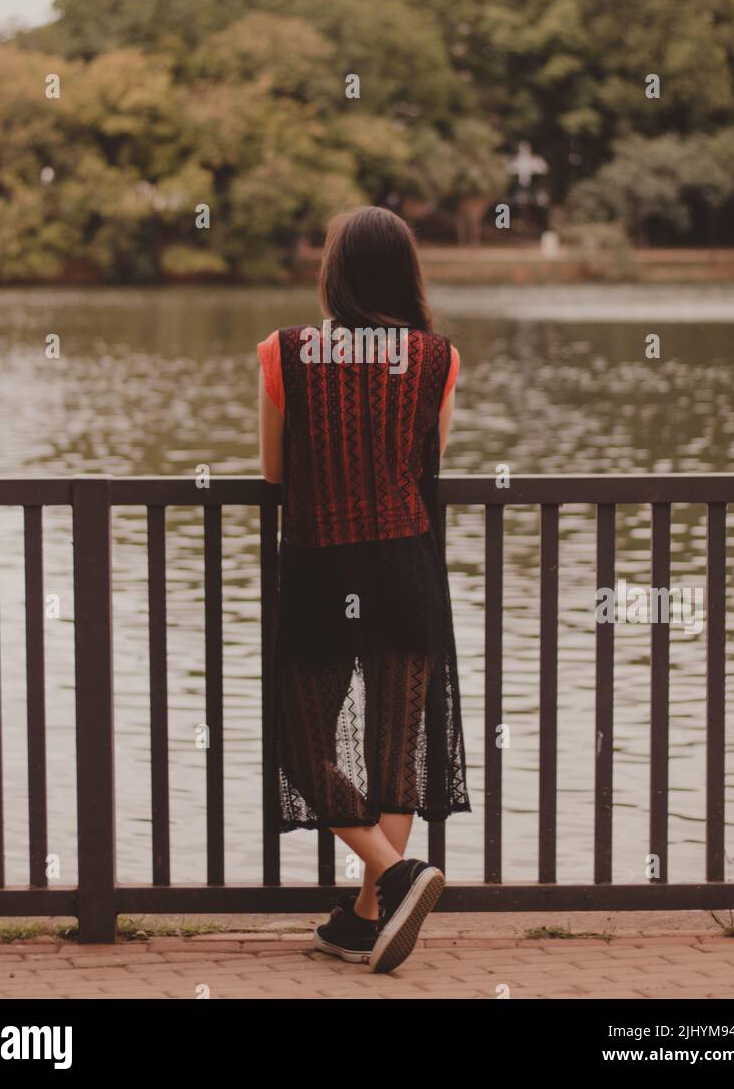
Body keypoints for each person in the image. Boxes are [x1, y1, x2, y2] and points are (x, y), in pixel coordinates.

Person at [257, 205, 470, 975]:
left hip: (321, 564)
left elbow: (275, 474)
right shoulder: (437, 358)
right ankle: (379, 903)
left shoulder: (286, 353)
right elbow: (428, 461)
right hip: (405, 563)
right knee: (395, 752)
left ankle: (383, 897)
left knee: (299, 747)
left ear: (334, 272)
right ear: (405, 272)